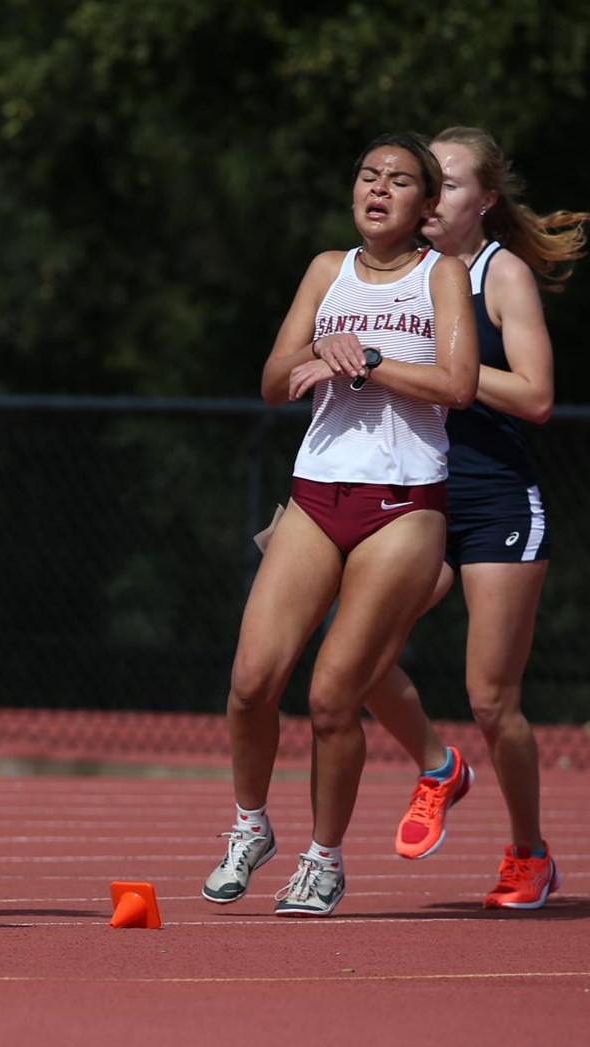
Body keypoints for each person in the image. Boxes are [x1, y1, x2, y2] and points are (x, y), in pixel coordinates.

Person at [202, 132, 477, 917]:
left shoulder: (441, 275)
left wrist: (365, 360)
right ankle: (249, 826)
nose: (378, 189)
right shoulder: (327, 270)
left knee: (331, 698)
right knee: (252, 680)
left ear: (425, 207)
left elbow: (457, 384)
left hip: (402, 506)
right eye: (367, 176)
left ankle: (323, 860)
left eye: (398, 181)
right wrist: (316, 351)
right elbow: (270, 381)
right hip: (314, 494)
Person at [361, 126, 583, 909]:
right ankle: (435, 765)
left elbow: (536, 397)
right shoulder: (397, 273)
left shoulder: (501, 274)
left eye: (448, 183)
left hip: (492, 501)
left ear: (483, 200)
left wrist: (446, 373)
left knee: (491, 699)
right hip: (410, 489)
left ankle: (528, 853)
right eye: (426, 181)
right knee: (349, 662)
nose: (430, 195)